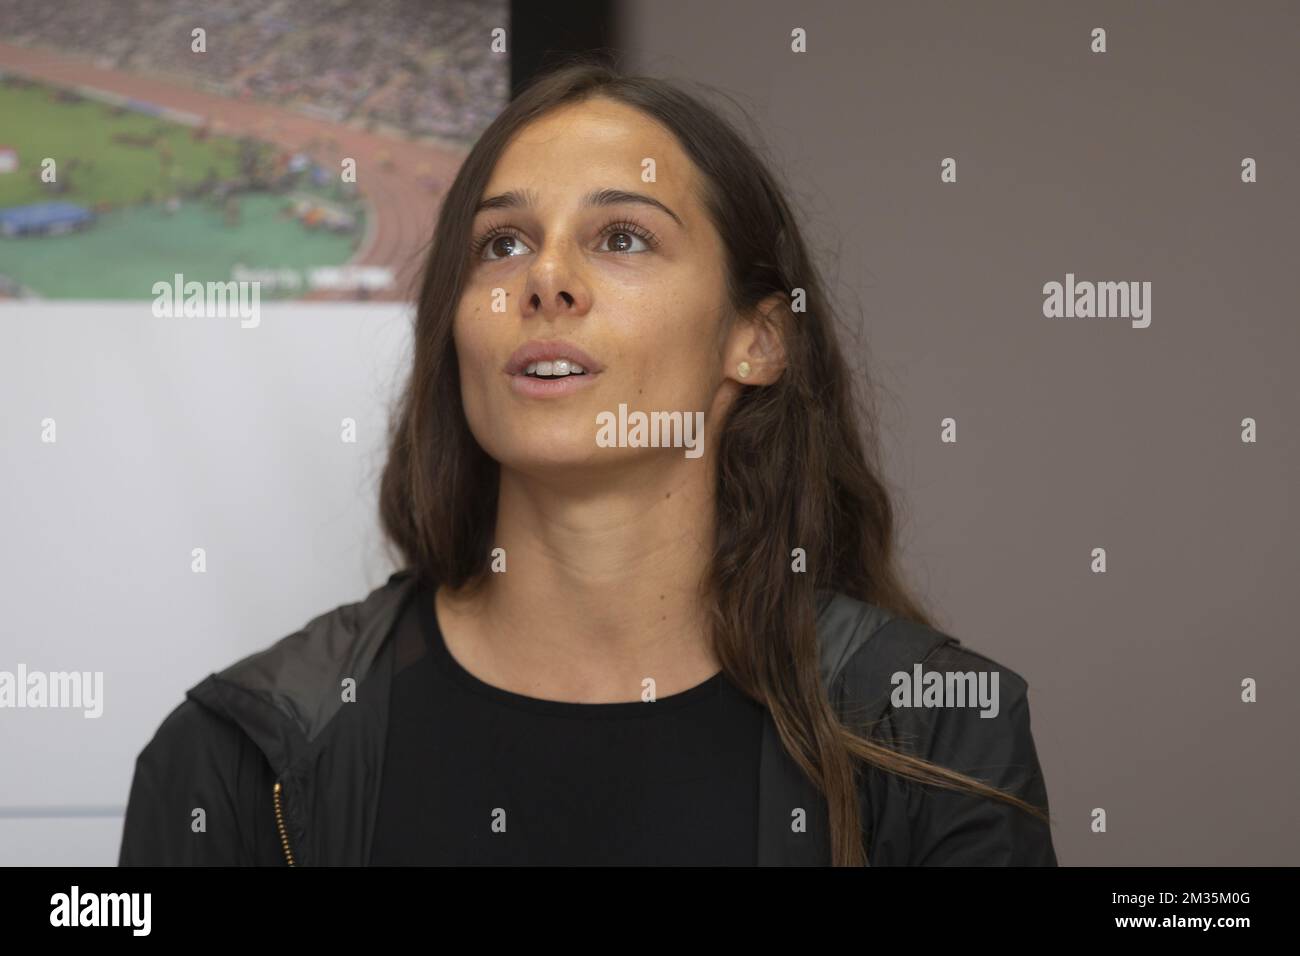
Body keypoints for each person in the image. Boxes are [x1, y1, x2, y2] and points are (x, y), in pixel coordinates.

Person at [119, 57, 1057, 867]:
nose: (546, 279)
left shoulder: (940, 732)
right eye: (502, 244)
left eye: (622, 237)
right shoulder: (236, 755)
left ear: (757, 341)